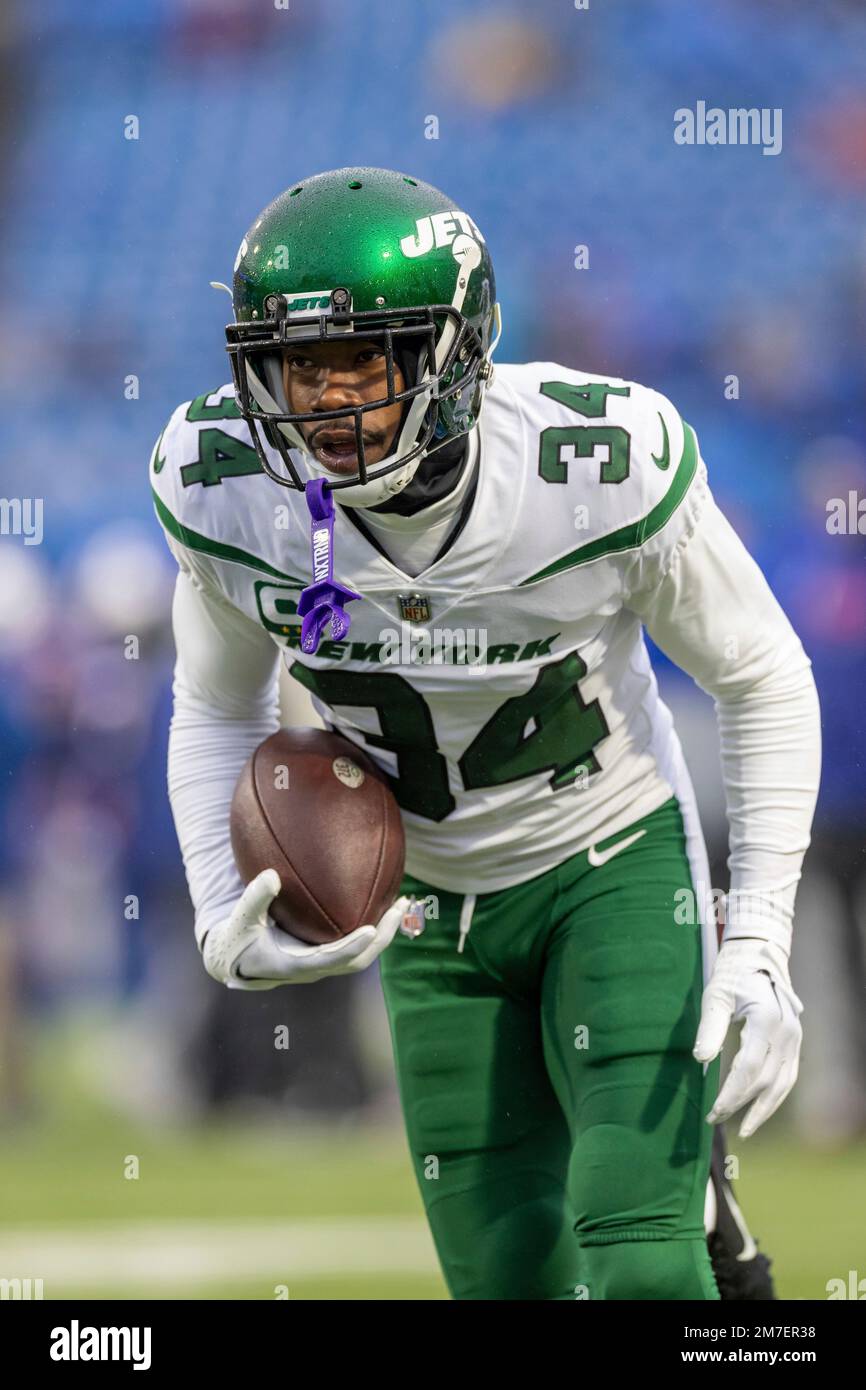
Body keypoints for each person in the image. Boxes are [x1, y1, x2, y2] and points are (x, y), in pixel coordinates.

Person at [152, 167, 820, 1300]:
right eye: (297, 370)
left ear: (453, 355)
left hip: (608, 866)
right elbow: (217, 702)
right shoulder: (227, 489)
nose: (325, 406)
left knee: (644, 1268)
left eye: (362, 364)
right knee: (508, 1278)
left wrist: (756, 938)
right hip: (425, 910)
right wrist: (220, 899)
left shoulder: (596, 464)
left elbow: (759, 674)